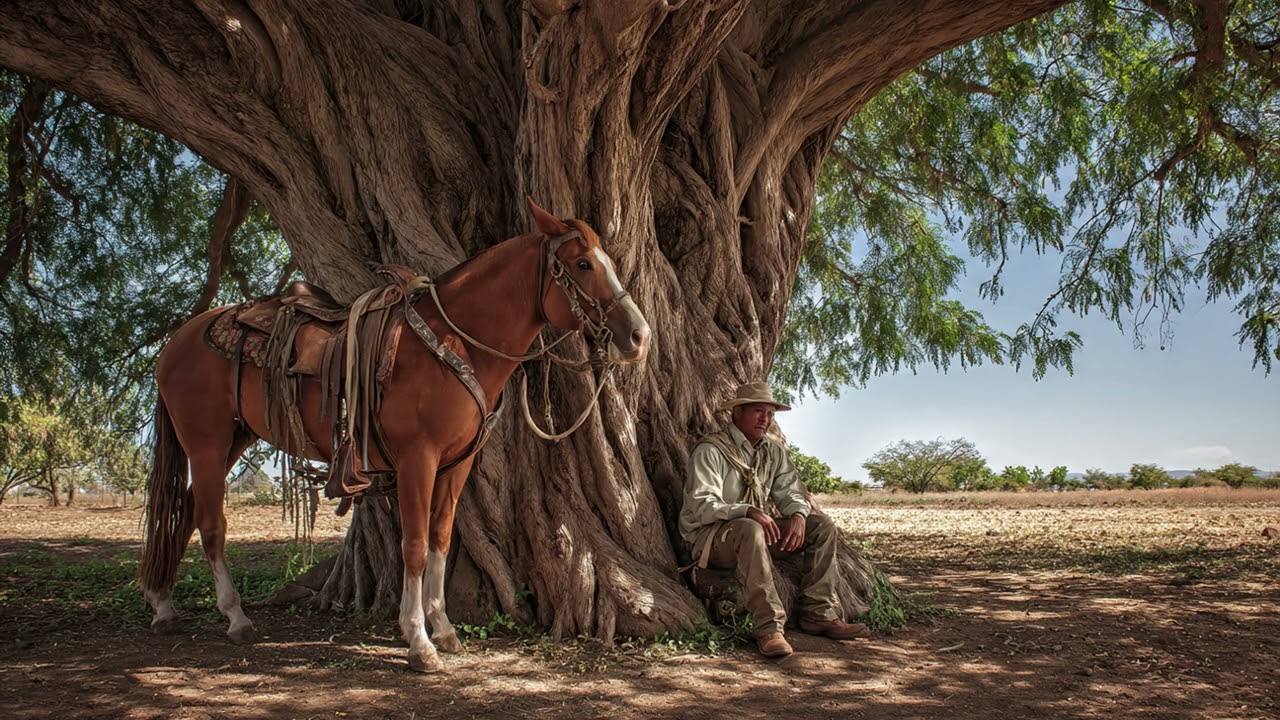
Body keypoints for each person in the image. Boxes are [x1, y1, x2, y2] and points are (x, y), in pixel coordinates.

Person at [679, 381, 868, 658]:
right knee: (750, 527)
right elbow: (702, 506)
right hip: (712, 539)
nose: (764, 419)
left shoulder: (773, 452)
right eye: (757, 411)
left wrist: (799, 514)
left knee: (822, 527)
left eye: (770, 414)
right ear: (737, 414)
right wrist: (747, 510)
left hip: (753, 533)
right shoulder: (711, 450)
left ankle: (817, 613)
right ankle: (768, 628)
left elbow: (790, 492)